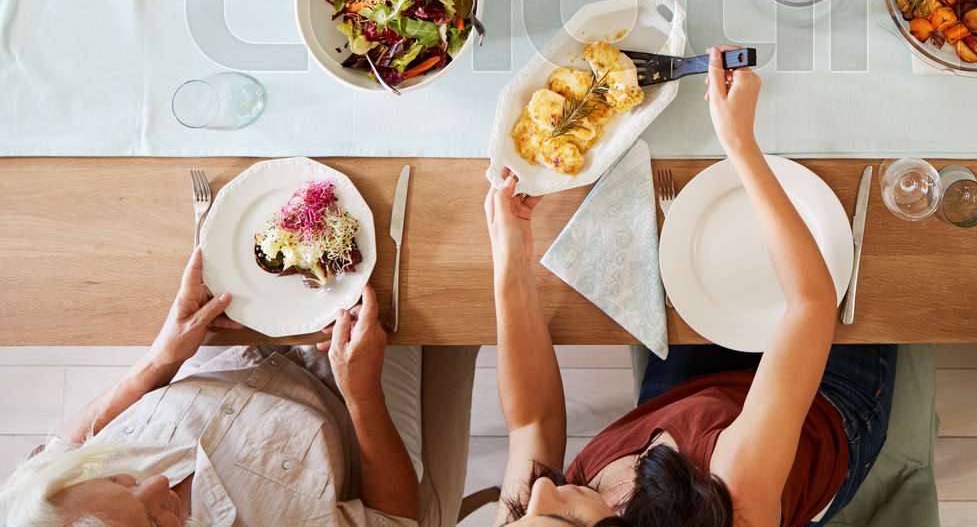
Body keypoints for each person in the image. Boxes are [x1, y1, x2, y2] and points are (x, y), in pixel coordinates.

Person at [485, 47, 895, 526]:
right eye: (564, 518)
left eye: (519, 519)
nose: (539, 491)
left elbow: (533, 422)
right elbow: (811, 303)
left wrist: (510, 257)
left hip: (694, 401)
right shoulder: (734, 502)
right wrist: (740, 142)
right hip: (825, 401)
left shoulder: (537, 509)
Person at [0, 248, 431, 526]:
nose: (156, 484)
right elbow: (395, 519)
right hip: (354, 407)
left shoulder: (43, 503)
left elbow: (65, 445)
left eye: (117, 481)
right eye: (153, 521)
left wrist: (161, 357)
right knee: (416, 277)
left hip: (223, 364)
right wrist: (362, 393)